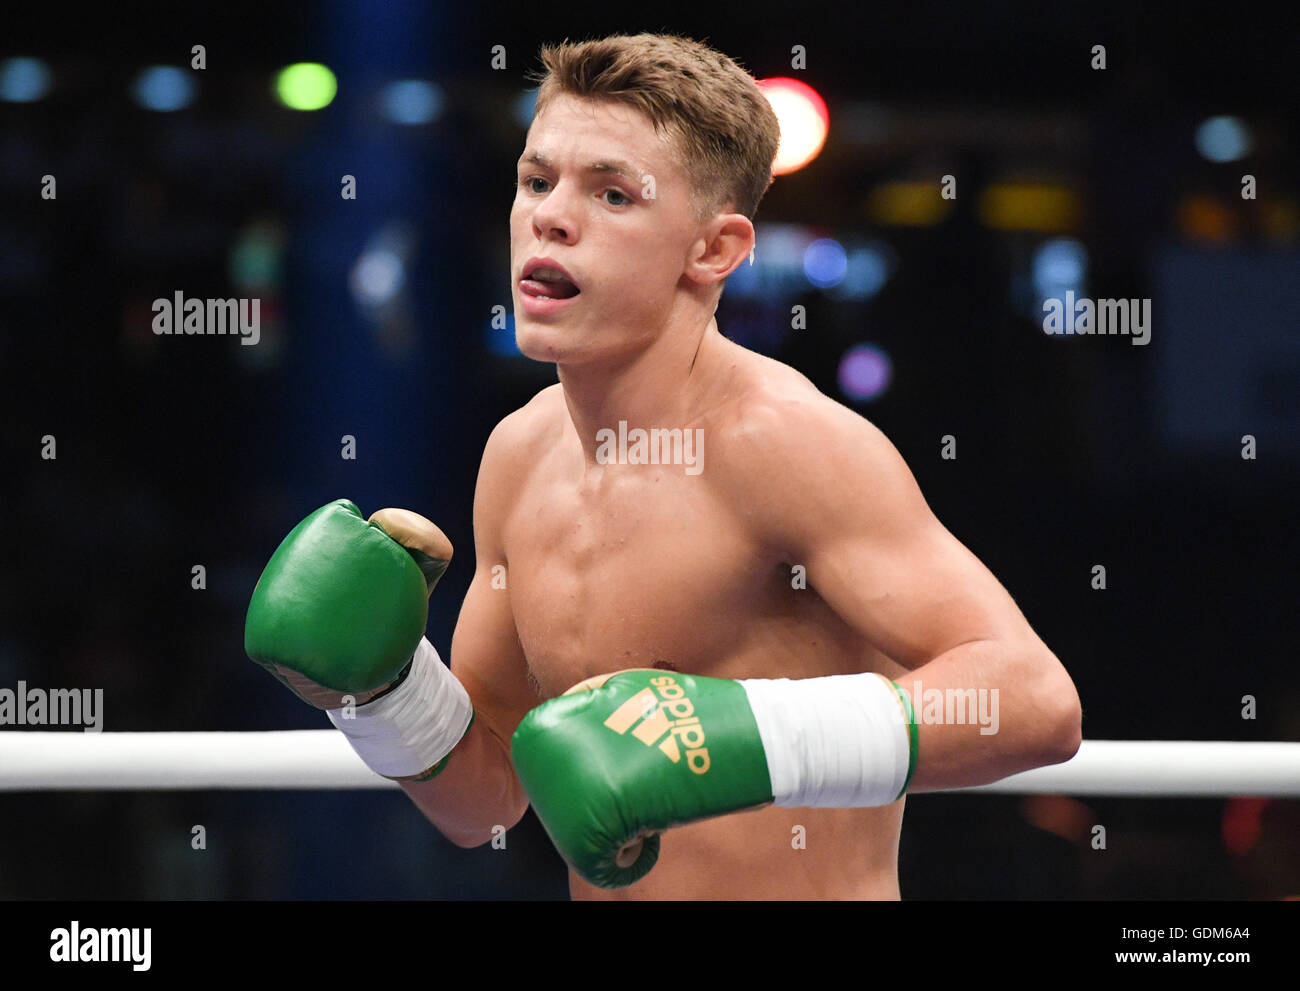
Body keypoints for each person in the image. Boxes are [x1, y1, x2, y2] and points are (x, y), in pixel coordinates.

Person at [245, 33, 1082, 900]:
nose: (551, 215)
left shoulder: (782, 441)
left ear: (713, 250)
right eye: (538, 180)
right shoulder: (519, 456)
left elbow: (1032, 700)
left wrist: (751, 735)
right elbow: (487, 805)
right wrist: (386, 693)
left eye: (611, 193)